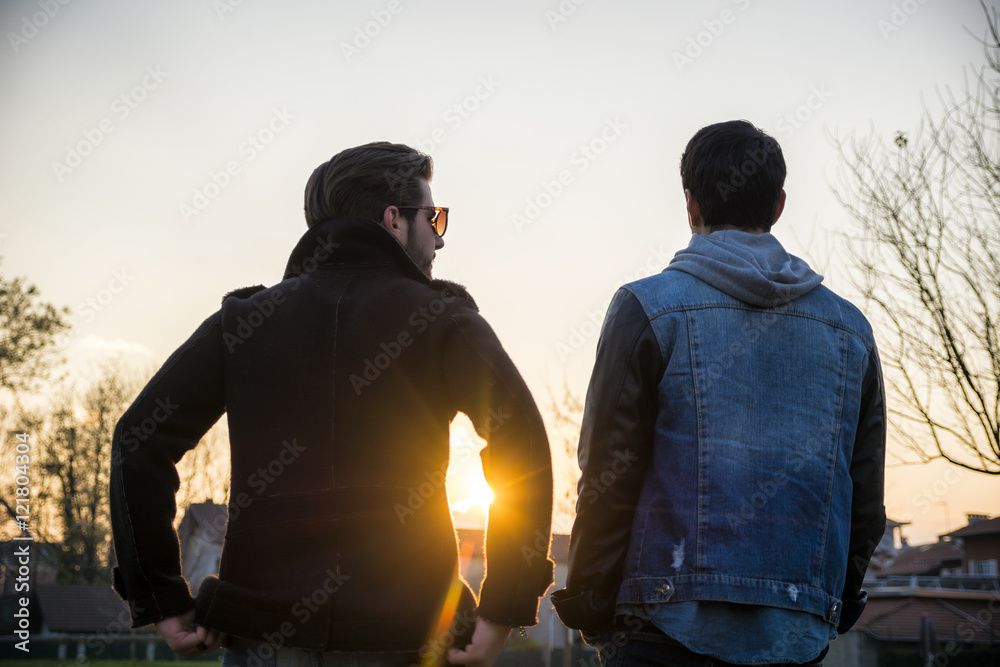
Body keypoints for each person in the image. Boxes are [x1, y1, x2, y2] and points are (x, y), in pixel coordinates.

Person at [110, 142, 554, 667]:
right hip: (408, 639)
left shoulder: (244, 323)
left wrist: (160, 597)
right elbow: (520, 444)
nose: (438, 239)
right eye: (433, 219)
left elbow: (138, 442)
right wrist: (503, 607)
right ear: (394, 219)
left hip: (263, 640)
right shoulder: (441, 320)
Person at [551, 120, 885, 666]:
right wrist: (837, 600)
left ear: (690, 205)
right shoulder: (852, 329)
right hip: (798, 632)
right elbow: (865, 491)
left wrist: (591, 602)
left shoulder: (647, 307)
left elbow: (607, 473)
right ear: (778, 205)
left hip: (661, 625)